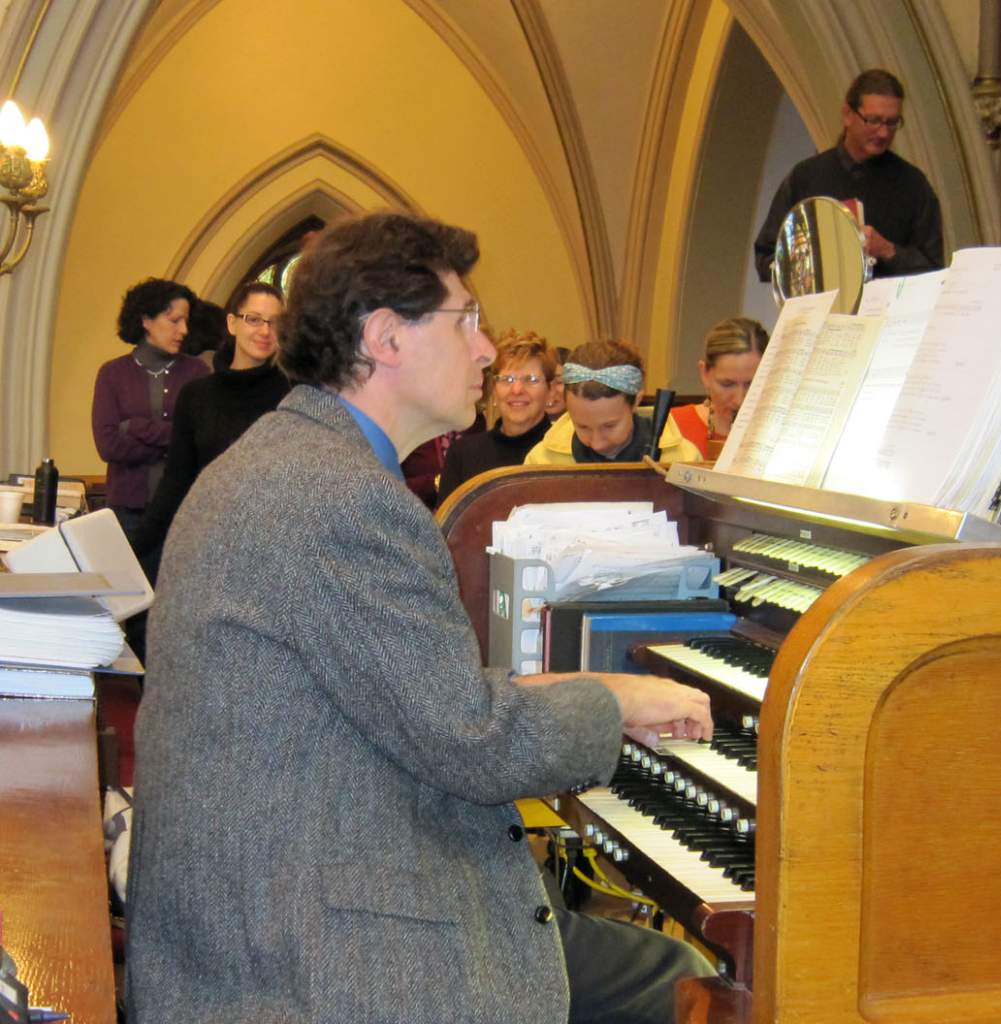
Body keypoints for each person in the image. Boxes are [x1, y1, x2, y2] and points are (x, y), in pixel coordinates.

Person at [125, 211, 715, 1024]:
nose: (486, 350)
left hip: (268, 888)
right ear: (386, 337)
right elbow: (472, 741)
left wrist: (580, 694)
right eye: (466, 320)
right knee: (678, 977)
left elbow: (422, 698)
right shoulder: (340, 496)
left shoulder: (287, 461)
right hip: (302, 947)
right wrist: (616, 701)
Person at [131, 281, 291, 568]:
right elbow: (176, 483)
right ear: (232, 323)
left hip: (273, 550)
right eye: (253, 319)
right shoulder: (197, 396)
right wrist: (131, 550)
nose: (265, 331)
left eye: (275, 322)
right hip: (209, 546)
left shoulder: (294, 394)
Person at [754, 69, 943, 282]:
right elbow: (766, 257)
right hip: (822, 300)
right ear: (847, 115)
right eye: (873, 120)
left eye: (892, 123)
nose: (883, 133)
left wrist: (888, 251)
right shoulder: (806, 177)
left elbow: (935, 268)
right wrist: (814, 260)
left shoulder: (913, 185)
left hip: (888, 302)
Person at [91, 278, 210, 535]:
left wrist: (136, 427)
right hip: (126, 511)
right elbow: (108, 445)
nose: (184, 330)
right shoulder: (112, 373)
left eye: (186, 321)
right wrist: (170, 446)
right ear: (146, 320)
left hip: (181, 510)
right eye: (175, 321)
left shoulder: (197, 372)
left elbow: (199, 438)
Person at [525, 338, 701, 465]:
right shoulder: (542, 463)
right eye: (582, 427)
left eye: (609, 426)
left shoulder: (683, 460)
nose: (597, 443)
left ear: (636, 400)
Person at [436, 328, 557, 503]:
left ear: (550, 390)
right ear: (494, 388)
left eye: (530, 380)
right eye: (507, 380)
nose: (517, 390)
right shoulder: (463, 455)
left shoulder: (563, 451)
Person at [671, 317, 768, 459]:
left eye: (752, 385)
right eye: (727, 384)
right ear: (704, 374)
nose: (739, 400)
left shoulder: (784, 434)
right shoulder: (672, 428)